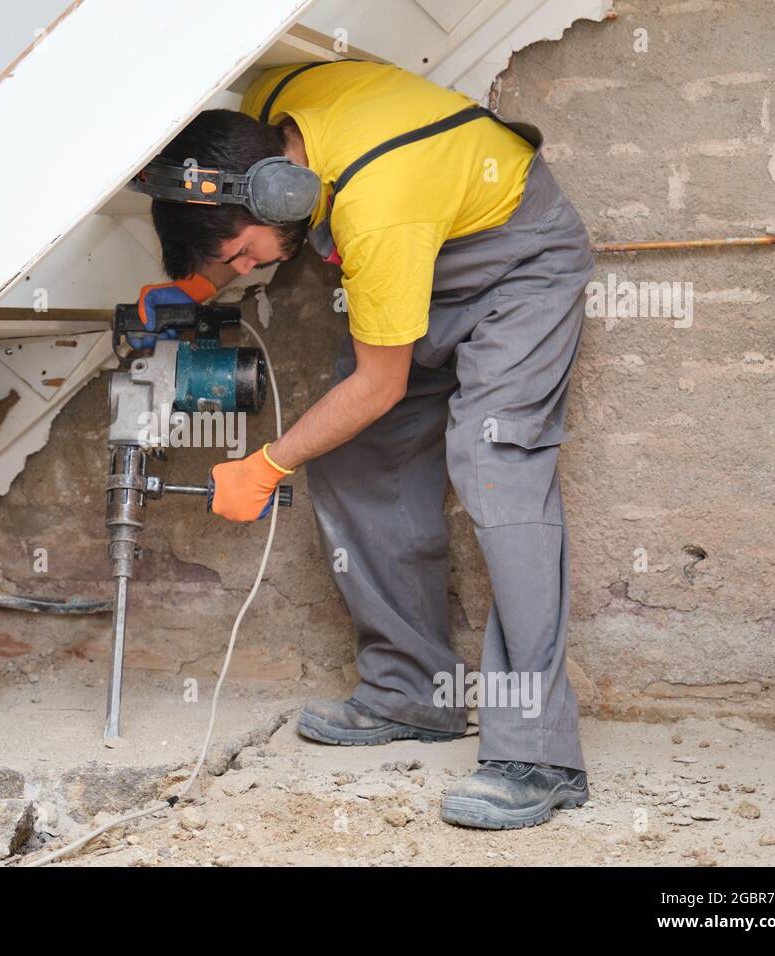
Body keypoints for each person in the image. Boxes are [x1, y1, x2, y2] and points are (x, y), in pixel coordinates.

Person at [131, 60, 594, 830]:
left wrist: (269, 461)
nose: (248, 268)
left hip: (518, 266)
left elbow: (378, 386)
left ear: (283, 194)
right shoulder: (264, 114)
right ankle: (412, 692)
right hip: (419, 254)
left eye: (245, 253)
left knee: (495, 467)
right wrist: (198, 286)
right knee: (354, 454)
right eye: (236, 265)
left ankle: (540, 756)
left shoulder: (378, 208)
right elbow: (239, 221)